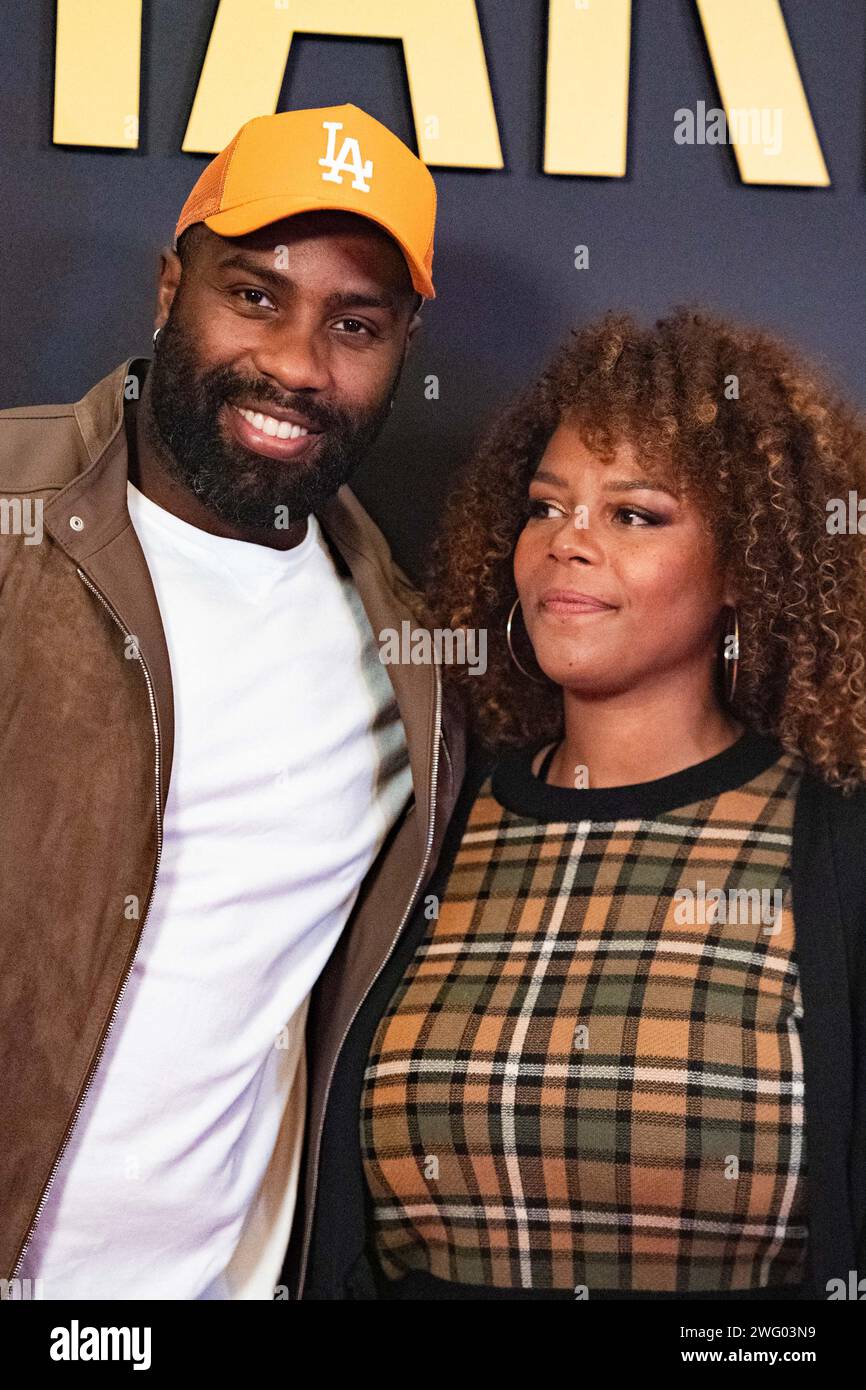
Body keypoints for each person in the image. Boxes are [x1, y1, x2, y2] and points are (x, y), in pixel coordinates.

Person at [298, 307, 866, 1300]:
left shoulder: (828, 849)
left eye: (632, 514)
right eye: (544, 506)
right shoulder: (426, 820)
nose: (567, 544)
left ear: (741, 564)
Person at [0, 102, 466, 1300]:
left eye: (352, 324)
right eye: (254, 295)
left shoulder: (408, 655)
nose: (297, 364)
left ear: (402, 346)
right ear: (170, 286)